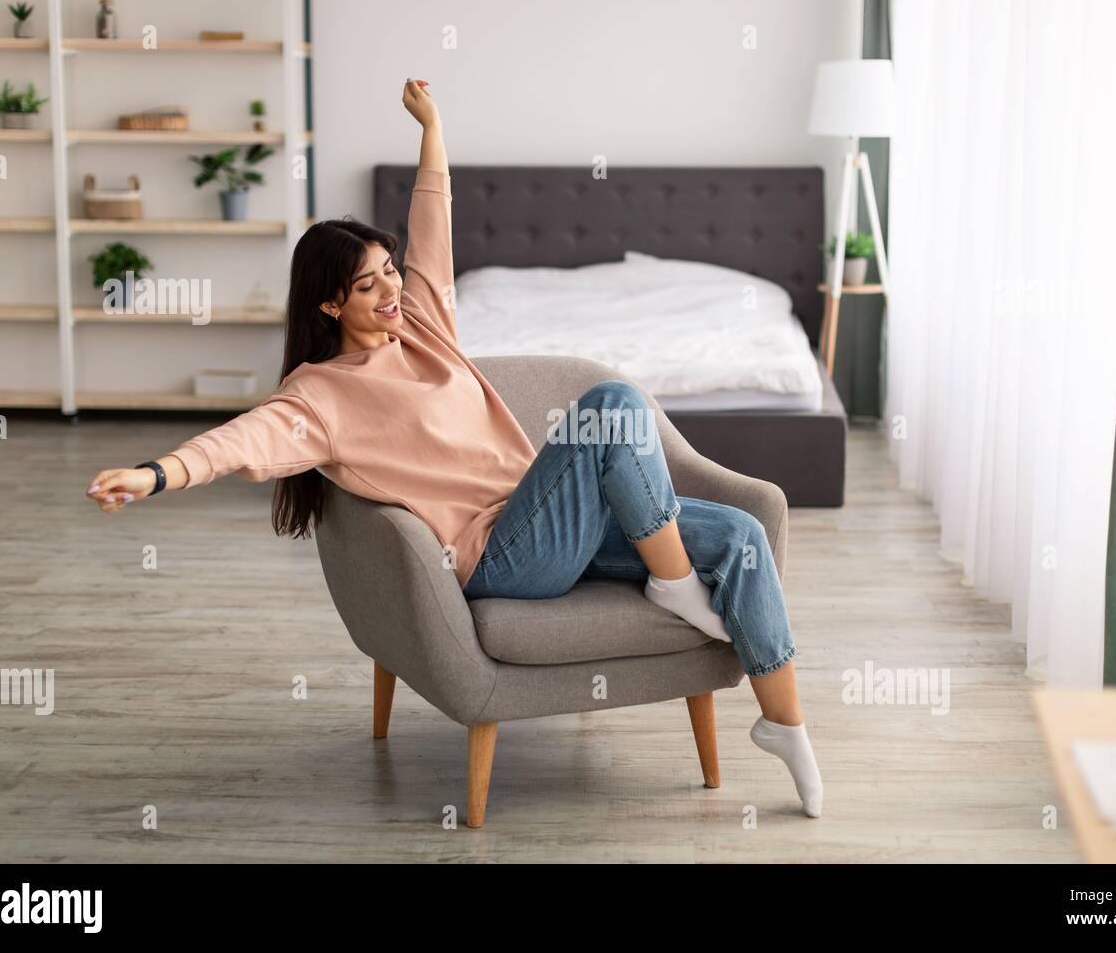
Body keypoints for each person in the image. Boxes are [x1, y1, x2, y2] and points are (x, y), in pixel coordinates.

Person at [85, 79, 823, 818]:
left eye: (388, 274)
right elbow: (240, 440)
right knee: (612, 404)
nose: (388, 292)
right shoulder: (319, 394)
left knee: (742, 535)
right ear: (329, 304)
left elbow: (432, 219)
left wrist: (433, 127)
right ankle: (674, 587)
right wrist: (154, 475)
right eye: (365, 286)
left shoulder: (425, 325)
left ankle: (784, 726)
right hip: (502, 556)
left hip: (558, 527)